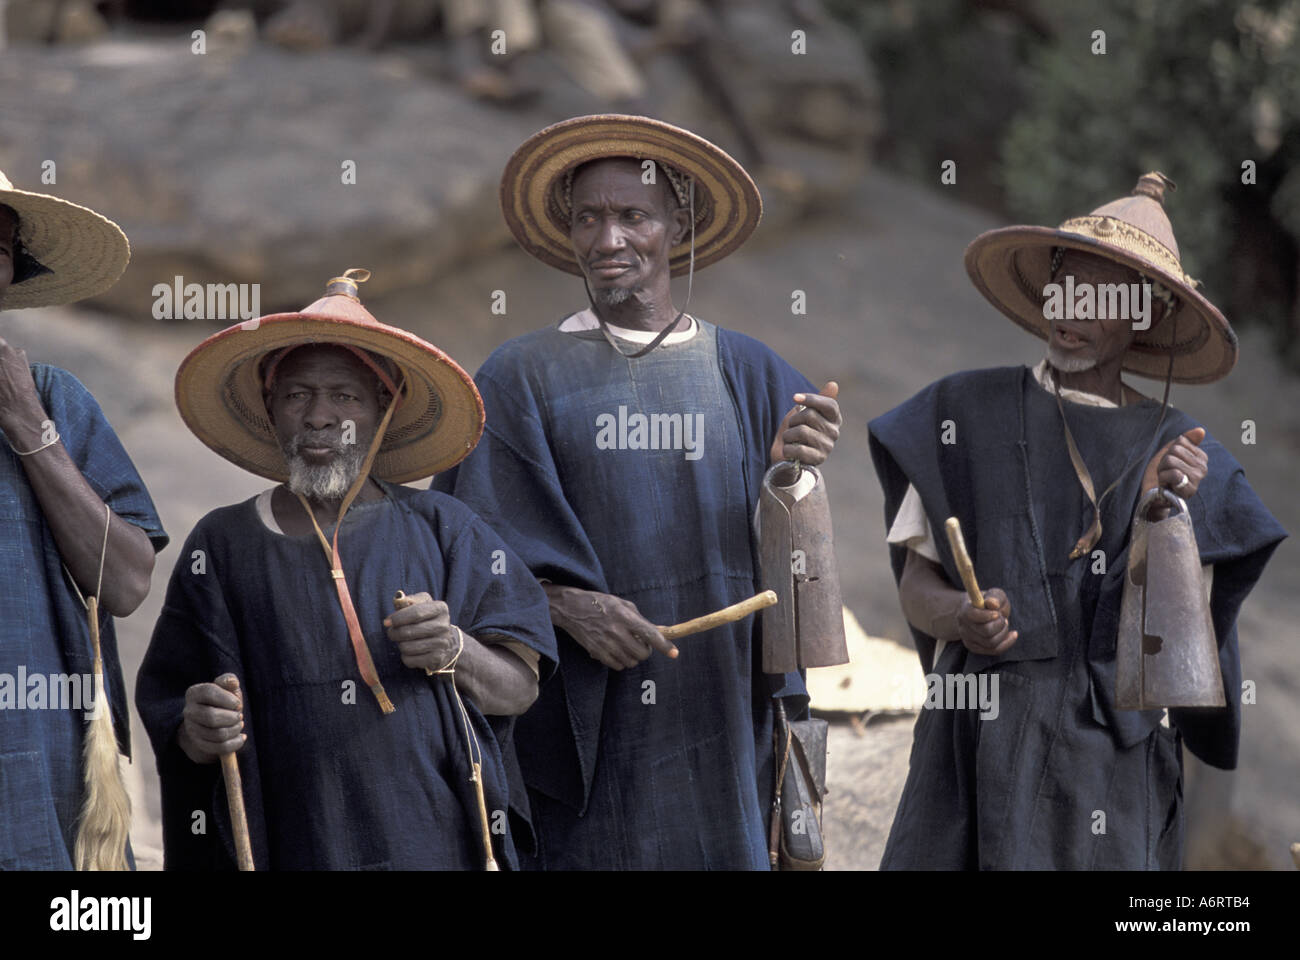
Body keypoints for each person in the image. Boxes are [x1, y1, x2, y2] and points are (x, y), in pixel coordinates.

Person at [435, 115, 842, 869]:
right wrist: (565, 608)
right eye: (588, 217)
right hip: (589, 730)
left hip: (727, 718)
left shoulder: (748, 372)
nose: (608, 238)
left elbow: (797, 583)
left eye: (633, 215)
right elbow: (463, 564)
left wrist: (791, 477)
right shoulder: (520, 377)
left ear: (676, 225)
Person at [869, 172, 1286, 869]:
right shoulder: (961, 414)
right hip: (970, 744)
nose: (1072, 308)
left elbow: (1174, 667)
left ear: (1144, 314)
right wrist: (957, 617)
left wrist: (1167, 519)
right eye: (1066, 285)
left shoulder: (1187, 456)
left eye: (1100, 297)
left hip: (1106, 775)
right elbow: (918, 584)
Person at [136, 269, 555, 870]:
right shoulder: (222, 544)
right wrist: (196, 727)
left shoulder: (444, 527)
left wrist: (454, 647)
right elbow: (175, 706)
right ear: (270, 409)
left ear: (384, 409)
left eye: (346, 396)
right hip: (290, 840)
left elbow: (519, 688)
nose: (319, 416)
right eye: (297, 395)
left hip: (433, 844)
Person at [0, 170, 167, 869]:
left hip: (41, 768)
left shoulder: (54, 401)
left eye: (0, 245)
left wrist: (28, 426)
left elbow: (126, 583)